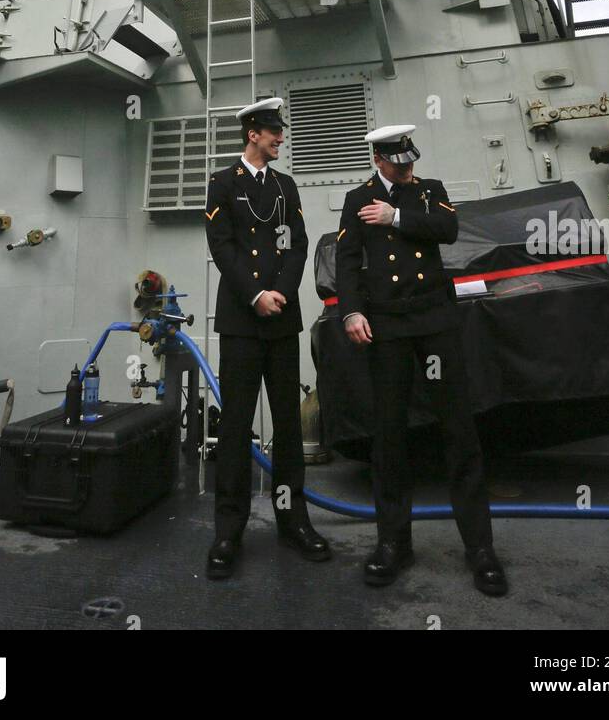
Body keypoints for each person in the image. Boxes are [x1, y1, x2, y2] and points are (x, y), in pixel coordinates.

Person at [336, 124, 507, 594]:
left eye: (412, 161)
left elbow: (448, 230)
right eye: (400, 163)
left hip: (434, 322)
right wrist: (351, 310)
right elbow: (347, 260)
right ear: (379, 160)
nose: (409, 169)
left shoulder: (429, 192)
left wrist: (395, 218)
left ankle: (480, 548)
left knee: (459, 429)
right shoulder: (358, 198)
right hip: (388, 327)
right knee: (388, 434)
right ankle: (393, 543)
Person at [204, 97, 330, 578]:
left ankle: (293, 520)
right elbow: (222, 247)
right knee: (235, 427)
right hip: (241, 319)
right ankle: (228, 530)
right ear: (253, 133)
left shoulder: (285, 185)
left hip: (280, 319)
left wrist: (278, 291)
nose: (281, 139)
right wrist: (255, 293)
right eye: (274, 131)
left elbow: (295, 243)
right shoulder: (222, 183)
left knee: (287, 425)